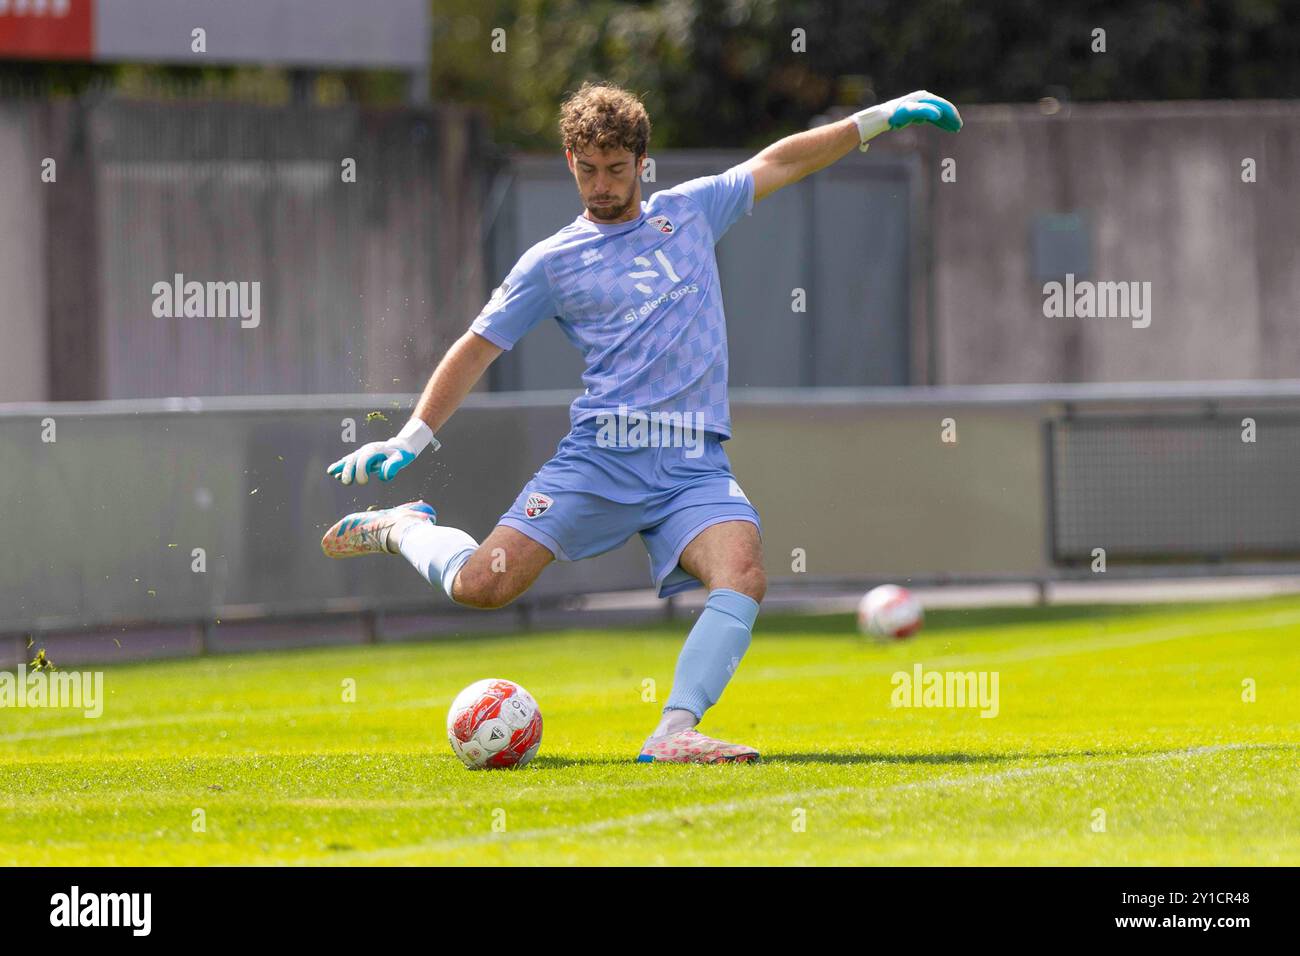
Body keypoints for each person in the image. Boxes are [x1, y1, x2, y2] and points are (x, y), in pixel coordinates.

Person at [322, 82, 961, 763]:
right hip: (600, 460)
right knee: (483, 585)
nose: (602, 185)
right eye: (589, 169)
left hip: (693, 465)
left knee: (741, 573)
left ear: (642, 162)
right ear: (570, 161)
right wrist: (408, 437)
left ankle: (673, 732)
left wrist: (881, 116)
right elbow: (476, 346)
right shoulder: (551, 262)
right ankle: (405, 529)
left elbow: (784, 160)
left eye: (617, 169)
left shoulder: (688, 213)